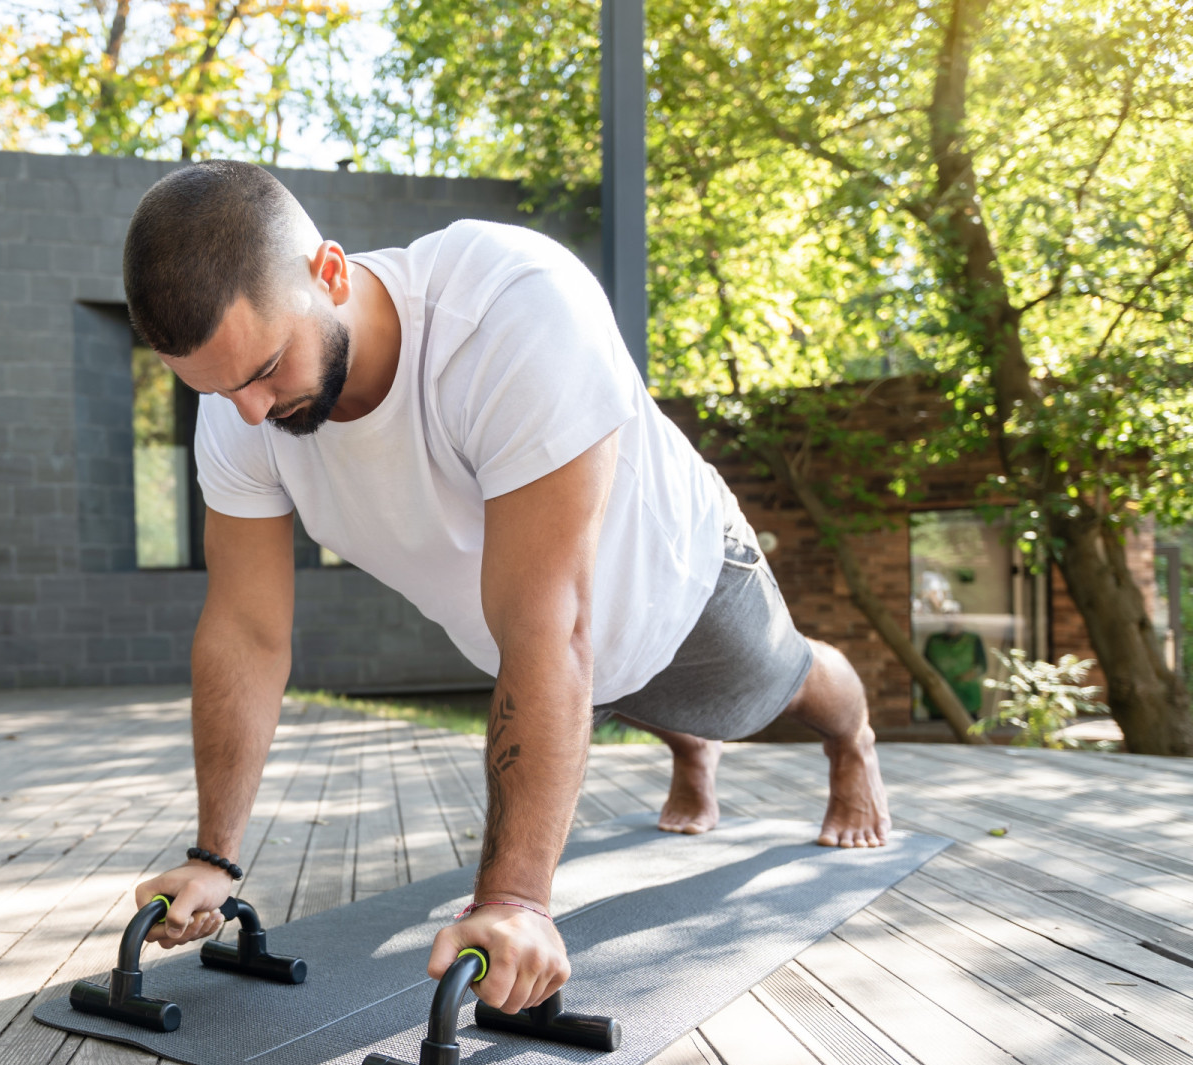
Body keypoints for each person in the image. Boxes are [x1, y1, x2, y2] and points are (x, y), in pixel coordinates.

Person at [121, 160, 890, 1016]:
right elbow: (244, 631)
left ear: (329, 273)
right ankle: (686, 751)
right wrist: (214, 858)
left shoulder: (510, 308)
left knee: (774, 688)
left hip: (681, 579)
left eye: (265, 368)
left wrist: (516, 902)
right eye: (217, 390)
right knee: (598, 688)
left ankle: (851, 744)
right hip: (545, 641)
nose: (252, 412)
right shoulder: (238, 410)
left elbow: (554, 627)